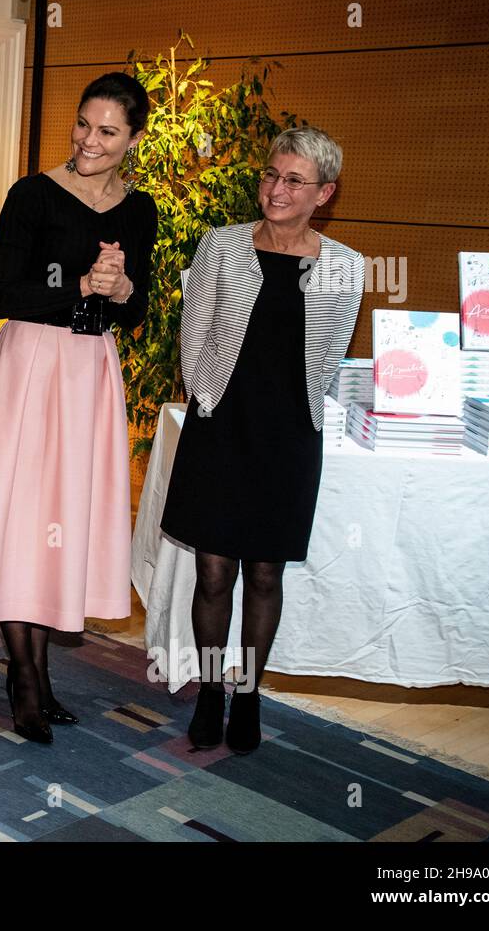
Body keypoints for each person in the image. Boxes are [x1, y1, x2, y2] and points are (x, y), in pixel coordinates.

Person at [0, 72, 157, 742]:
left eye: (107, 131)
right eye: (83, 123)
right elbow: (4, 292)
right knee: (24, 519)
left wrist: (120, 288)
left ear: (134, 140)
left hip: (90, 374)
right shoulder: (32, 194)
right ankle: (23, 675)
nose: (88, 139)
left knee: (65, 519)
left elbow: (137, 310)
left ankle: (39, 671)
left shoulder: (138, 210)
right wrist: (82, 282)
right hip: (29, 367)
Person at [160, 126, 364, 754]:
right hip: (221, 424)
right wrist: (207, 395)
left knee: (266, 572)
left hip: (287, 435)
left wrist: (296, 411)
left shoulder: (345, 265)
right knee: (214, 570)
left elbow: (331, 354)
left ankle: (248, 693)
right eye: (272, 174)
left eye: (293, 180)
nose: (276, 189)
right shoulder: (220, 247)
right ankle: (213, 690)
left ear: (323, 194)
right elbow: (193, 332)